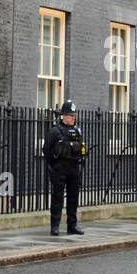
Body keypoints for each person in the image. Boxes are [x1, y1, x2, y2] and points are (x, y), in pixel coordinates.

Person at [42, 99, 87, 235]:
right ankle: (55, 226)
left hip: (73, 167)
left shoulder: (76, 131)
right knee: (58, 198)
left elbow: (82, 148)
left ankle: (72, 225)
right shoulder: (55, 131)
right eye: (70, 115)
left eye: (74, 115)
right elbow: (46, 150)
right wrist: (54, 164)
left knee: (73, 197)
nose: (73, 118)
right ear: (63, 116)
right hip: (60, 168)